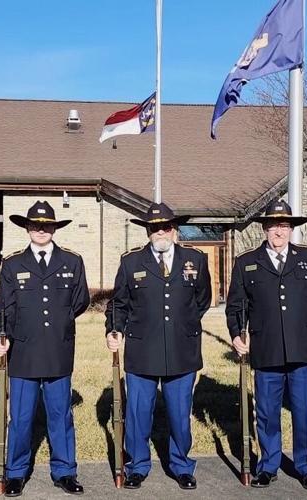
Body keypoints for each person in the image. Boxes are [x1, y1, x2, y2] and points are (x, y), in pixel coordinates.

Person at [225, 200, 307, 490]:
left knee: (303, 411)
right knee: (267, 412)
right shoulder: (246, 262)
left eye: (284, 226)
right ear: (264, 228)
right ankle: (268, 465)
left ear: (291, 229)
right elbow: (236, 304)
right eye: (273, 226)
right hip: (266, 348)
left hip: (302, 349)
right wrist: (237, 334)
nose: (279, 231)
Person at [105, 202, 211, 490]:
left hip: (181, 349)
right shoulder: (131, 262)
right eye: (154, 228)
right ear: (148, 231)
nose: (160, 232)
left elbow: (202, 300)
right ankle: (137, 465)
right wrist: (113, 329)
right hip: (142, 349)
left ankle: (181, 465)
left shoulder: (196, 260)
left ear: (174, 230)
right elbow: (118, 303)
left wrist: (181, 324)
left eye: (165, 227)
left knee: (179, 414)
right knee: (138, 413)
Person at [0, 201, 90, 497]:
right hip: (23, 351)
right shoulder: (12, 264)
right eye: (35, 225)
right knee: (20, 417)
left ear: (54, 228)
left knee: (60, 415)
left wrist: (59, 323)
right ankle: (16, 472)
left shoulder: (72, 262)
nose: (41, 230)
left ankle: (65, 471)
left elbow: (80, 300)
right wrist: (2, 334)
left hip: (58, 350)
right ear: (27, 228)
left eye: (47, 225)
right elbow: (4, 307)